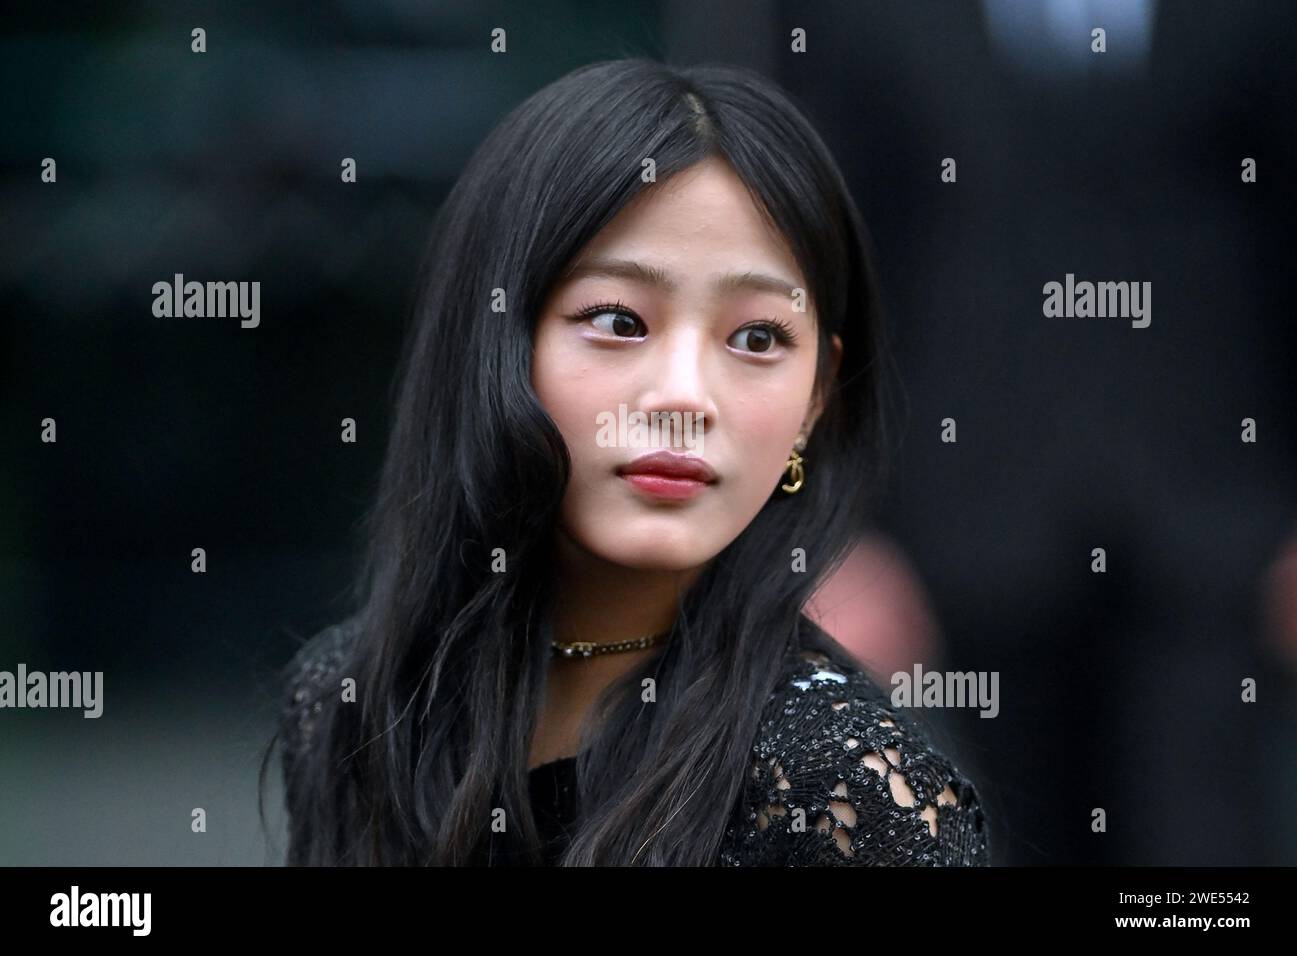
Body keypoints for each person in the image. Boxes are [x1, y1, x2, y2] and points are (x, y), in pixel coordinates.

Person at [274, 57, 991, 866]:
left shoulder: (844, 790)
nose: (685, 397)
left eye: (757, 338)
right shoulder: (350, 706)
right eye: (618, 321)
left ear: (817, 399)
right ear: (493, 342)